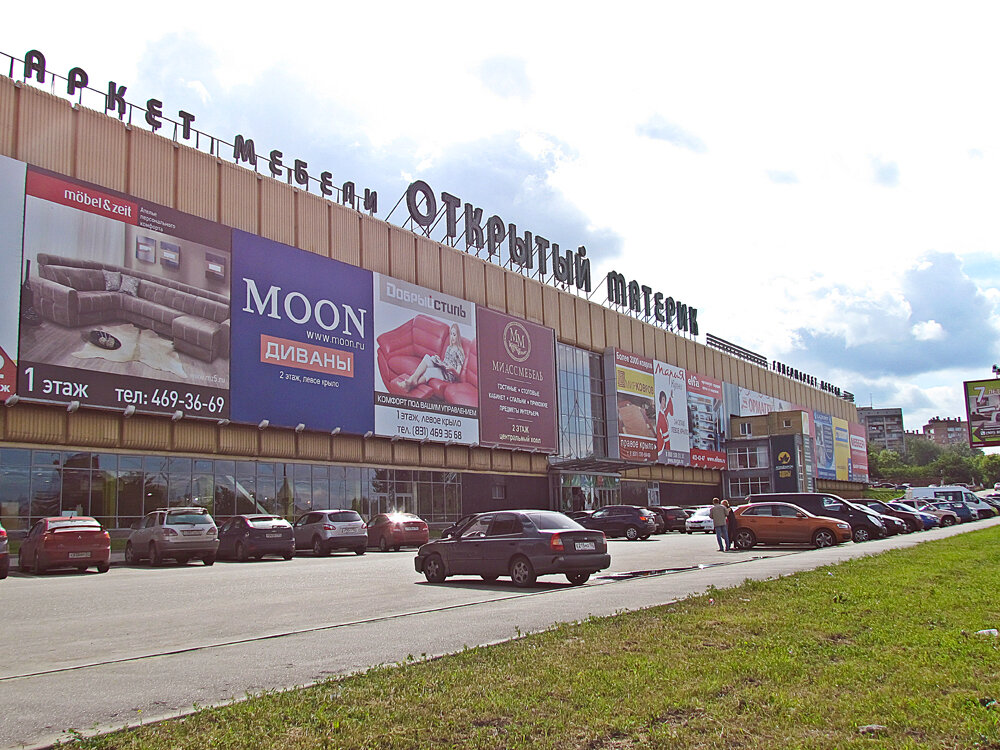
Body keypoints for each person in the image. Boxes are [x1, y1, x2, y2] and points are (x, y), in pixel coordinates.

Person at [399, 323, 465, 391]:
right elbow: (445, 362)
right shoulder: (449, 347)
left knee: (429, 371)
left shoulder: (459, 353)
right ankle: (412, 379)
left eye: (454, 335)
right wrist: (439, 360)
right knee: (427, 357)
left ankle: (411, 383)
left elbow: (458, 375)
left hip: (449, 376)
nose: (452, 337)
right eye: (451, 334)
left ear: (458, 336)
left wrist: (452, 369)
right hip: (443, 369)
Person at [656, 390, 673, 457]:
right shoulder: (660, 415)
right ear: (660, 400)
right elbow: (659, 430)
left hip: (666, 443)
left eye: (664, 399)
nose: (664, 401)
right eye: (663, 399)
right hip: (664, 444)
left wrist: (670, 398)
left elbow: (668, 409)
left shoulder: (663, 413)